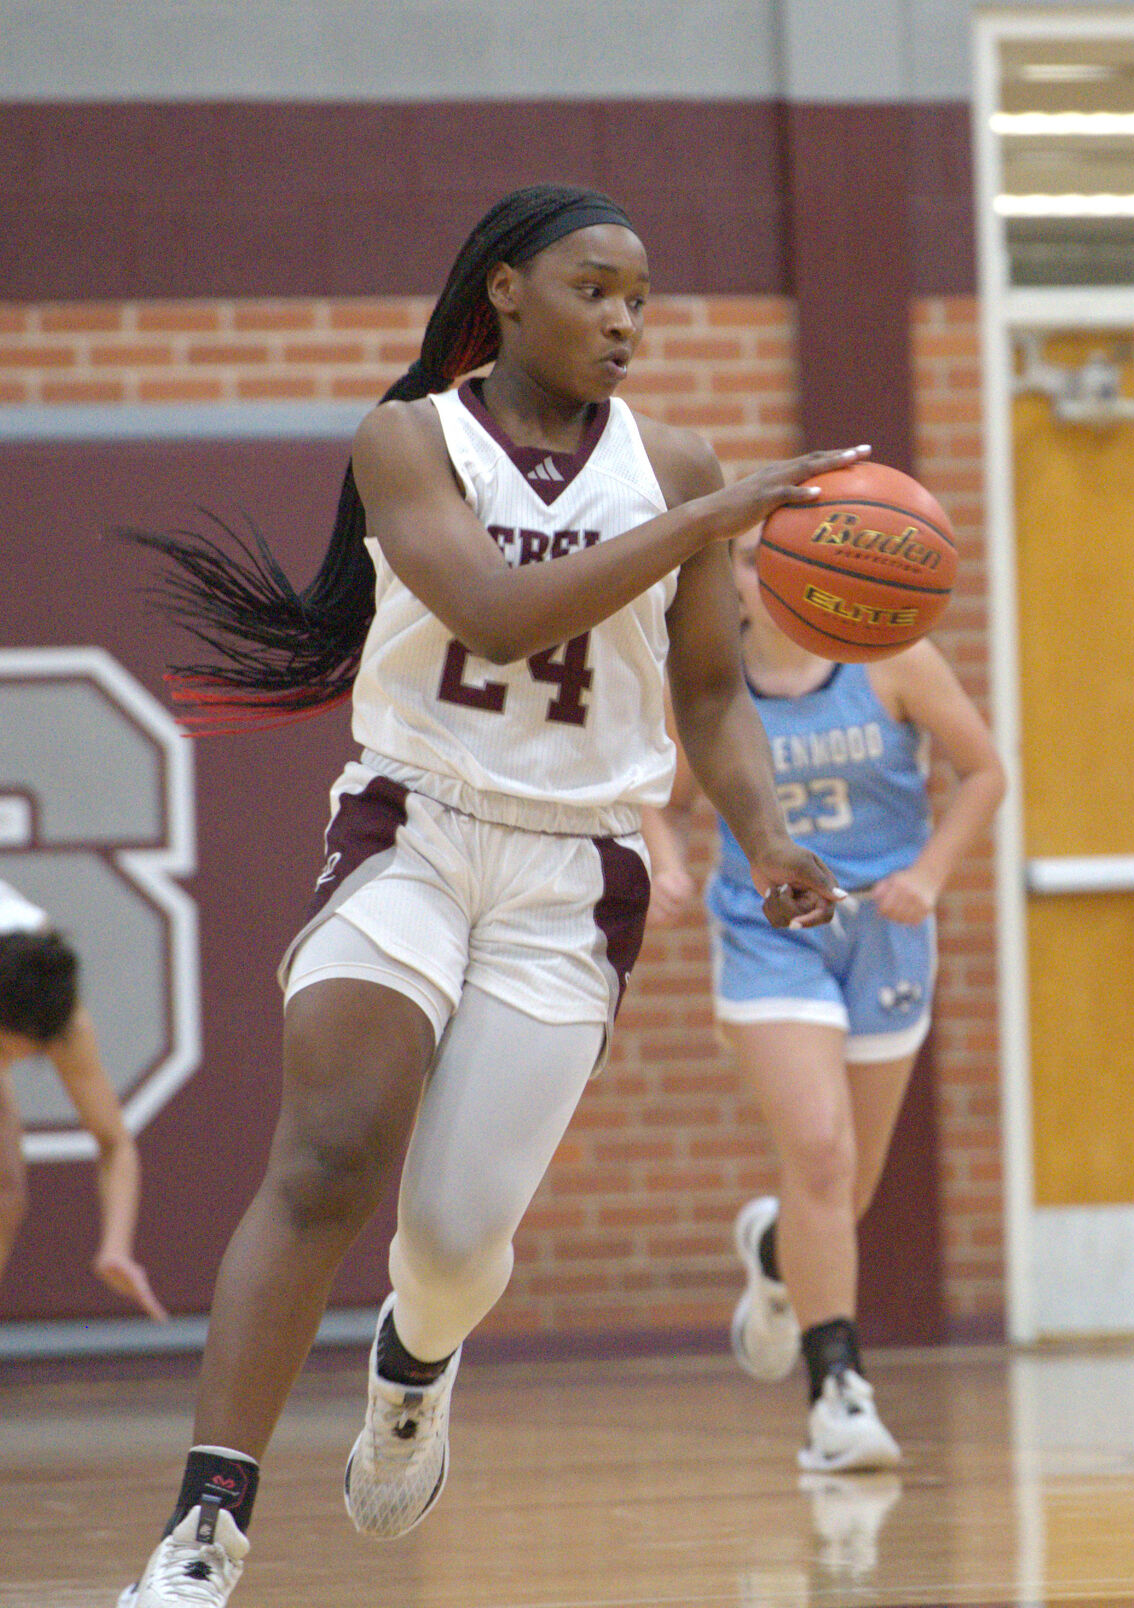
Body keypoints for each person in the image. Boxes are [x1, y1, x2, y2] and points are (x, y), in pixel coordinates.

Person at [113, 183, 861, 1608]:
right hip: (414, 823)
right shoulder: (413, 437)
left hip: (575, 869)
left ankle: (417, 1361)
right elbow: (501, 613)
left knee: (454, 1244)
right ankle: (206, 1526)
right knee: (329, 1155)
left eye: (642, 299)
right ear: (506, 290)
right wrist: (713, 517)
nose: (625, 320)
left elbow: (709, 696)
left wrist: (764, 834)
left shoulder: (678, 463)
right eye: (595, 288)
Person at [641, 526, 1004, 1473]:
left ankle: (776, 1262)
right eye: (754, 560)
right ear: (737, 583)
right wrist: (669, 863)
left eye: (784, 554)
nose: (772, 573)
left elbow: (986, 771)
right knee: (819, 1150)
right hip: (774, 931)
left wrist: (929, 872)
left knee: (842, 1189)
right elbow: (658, 797)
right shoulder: (713, 690)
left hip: (887, 930)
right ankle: (838, 1396)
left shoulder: (895, 662)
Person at [0, 880, 165, 1321]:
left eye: (14, 1055)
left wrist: (116, 1247)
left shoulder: (64, 1019)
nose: (9, 1063)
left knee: (5, 1193)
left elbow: (115, 1142)